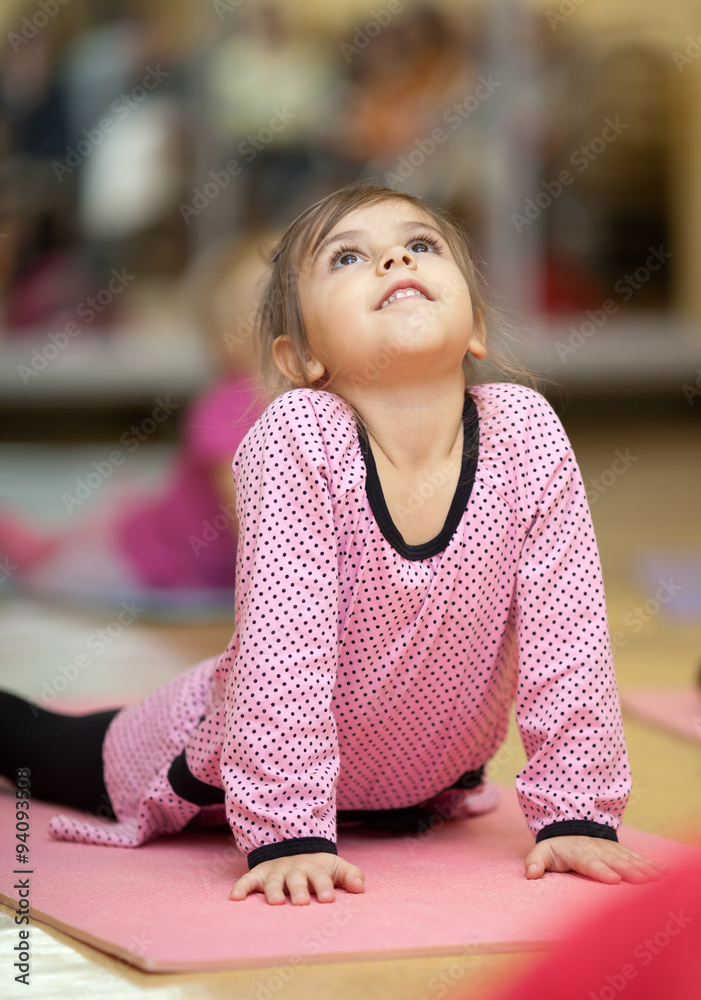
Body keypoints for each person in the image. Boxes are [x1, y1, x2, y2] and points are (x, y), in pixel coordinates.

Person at [0, 183, 666, 906]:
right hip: (218, 757)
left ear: (475, 326)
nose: (394, 260)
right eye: (347, 257)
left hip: (413, 785)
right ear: (301, 358)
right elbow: (281, 654)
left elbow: (569, 641)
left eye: (421, 245)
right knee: (36, 742)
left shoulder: (523, 432)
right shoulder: (300, 436)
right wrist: (288, 832)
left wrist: (578, 815)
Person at [0, 236, 269, 611]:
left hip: (177, 552)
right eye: (269, 302)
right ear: (225, 343)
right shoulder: (232, 404)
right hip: (147, 562)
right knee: (49, 572)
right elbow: (255, 525)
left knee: (71, 545)